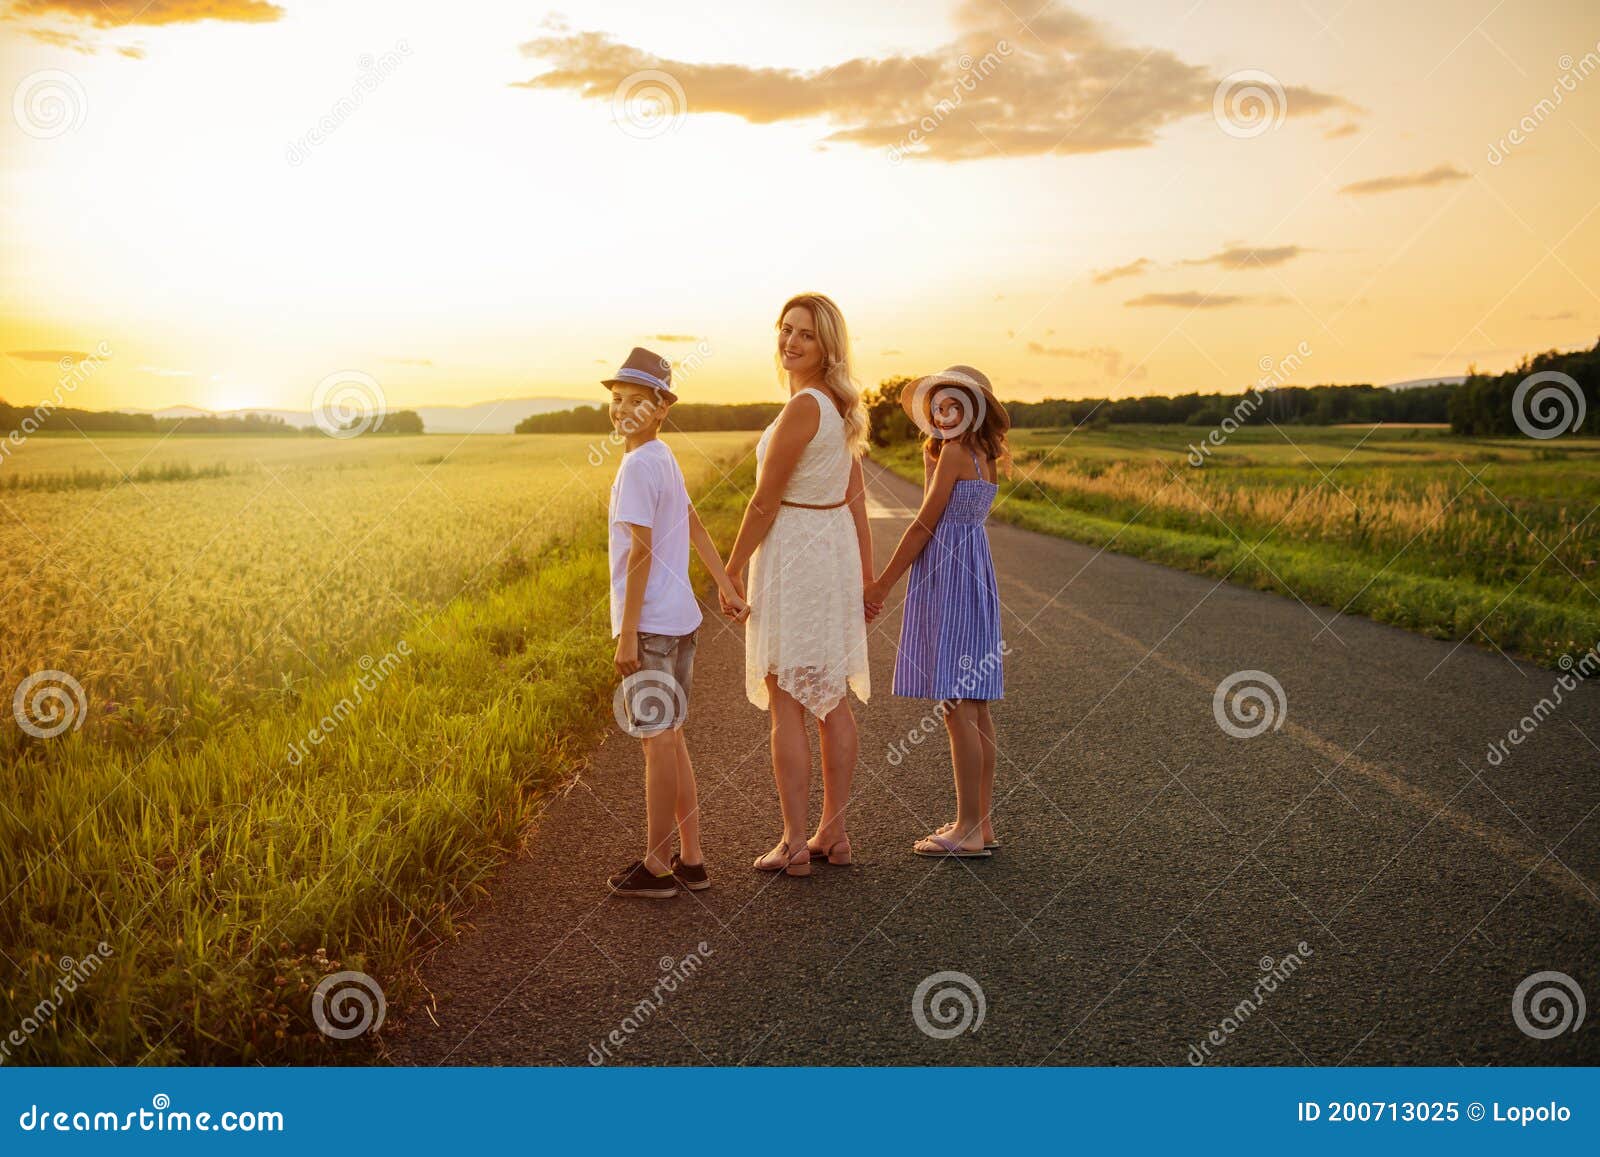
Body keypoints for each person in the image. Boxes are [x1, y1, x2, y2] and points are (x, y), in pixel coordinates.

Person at [724, 294, 874, 876]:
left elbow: (764, 502)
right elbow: (855, 498)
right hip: (829, 551)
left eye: (805, 334)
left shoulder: (802, 408)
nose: (790, 341)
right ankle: (832, 835)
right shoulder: (842, 405)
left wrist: (732, 569)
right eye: (785, 330)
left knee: (786, 698)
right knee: (830, 697)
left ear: (827, 345)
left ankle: (793, 843)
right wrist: (863, 572)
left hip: (794, 552)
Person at [603, 346, 748, 898]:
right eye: (617, 401)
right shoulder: (660, 456)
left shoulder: (639, 464)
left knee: (656, 743)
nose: (622, 411)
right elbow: (692, 521)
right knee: (672, 738)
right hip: (681, 621)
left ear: (662, 407)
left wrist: (626, 633)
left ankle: (656, 865)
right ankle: (691, 858)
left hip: (654, 628)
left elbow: (640, 554)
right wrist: (725, 584)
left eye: (637, 402)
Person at [864, 365, 1009, 858]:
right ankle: (980, 823)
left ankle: (967, 828)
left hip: (949, 574)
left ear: (972, 409)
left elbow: (924, 525)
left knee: (956, 705)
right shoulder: (981, 452)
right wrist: (932, 459)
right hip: (973, 570)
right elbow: (945, 504)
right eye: (937, 408)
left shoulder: (954, 453)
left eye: (953, 406)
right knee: (974, 703)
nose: (943, 415)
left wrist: (882, 583)